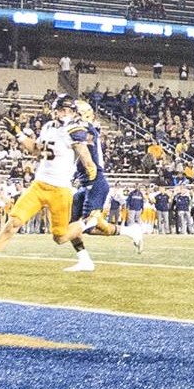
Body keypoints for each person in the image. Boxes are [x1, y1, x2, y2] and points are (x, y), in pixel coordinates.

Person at [0, 97, 95, 279]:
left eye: (69, 111)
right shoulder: (48, 127)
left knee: (60, 237)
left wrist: (90, 168)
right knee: (12, 224)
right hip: (38, 186)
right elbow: (36, 150)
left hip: (60, 190)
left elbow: (85, 155)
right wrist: (18, 134)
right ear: (55, 110)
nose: (65, 114)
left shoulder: (74, 129)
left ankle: (90, 221)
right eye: (62, 110)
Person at [64, 100, 143, 270]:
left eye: (75, 111)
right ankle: (86, 259)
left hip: (96, 181)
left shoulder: (87, 129)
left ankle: (130, 231)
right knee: (78, 227)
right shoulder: (87, 128)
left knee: (89, 222)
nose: (72, 114)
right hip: (84, 183)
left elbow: (83, 138)